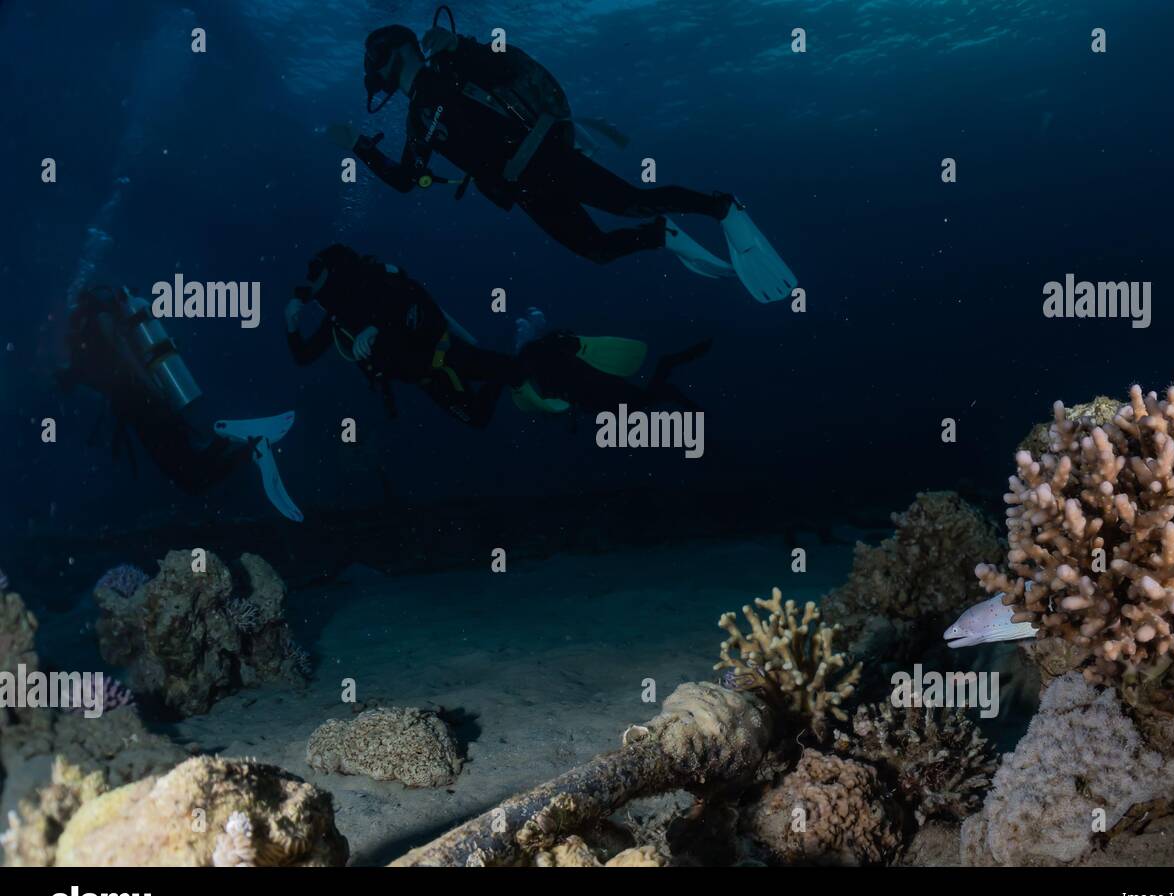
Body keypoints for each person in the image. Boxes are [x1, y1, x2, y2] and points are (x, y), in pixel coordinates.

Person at [327, 12, 797, 303]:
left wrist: (462, 45)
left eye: (374, 56)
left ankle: (721, 207)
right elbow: (409, 179)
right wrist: (361, 149)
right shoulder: (416, 120)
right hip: (523, 190)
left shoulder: (449, 65)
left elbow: (509, 64)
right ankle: (660, 236)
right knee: (596, 251)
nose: (371, 69)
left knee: (629, 201)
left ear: (397, 50)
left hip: (543, 155)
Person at [284, 244, 710, 427]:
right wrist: (291, 325)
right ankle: (528, 363)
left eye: (319, 280)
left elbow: (423, 311)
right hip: (427, 378)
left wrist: (380, 326)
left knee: (518, 372)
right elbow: (303, 357)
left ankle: (545, 350)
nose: (316, 293)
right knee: (477, 419)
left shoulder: (382, 283)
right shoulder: (337, 318)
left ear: (338, 274)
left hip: (448, 355)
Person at [59, 284, 303, 521]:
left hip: (146, 404)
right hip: (145, 405)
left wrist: (154, 389)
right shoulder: (95, 329)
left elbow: (126, 358)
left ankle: (245, 444)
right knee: (193, 469)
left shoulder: (99, 321)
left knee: (191, 478)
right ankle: (243, 443)